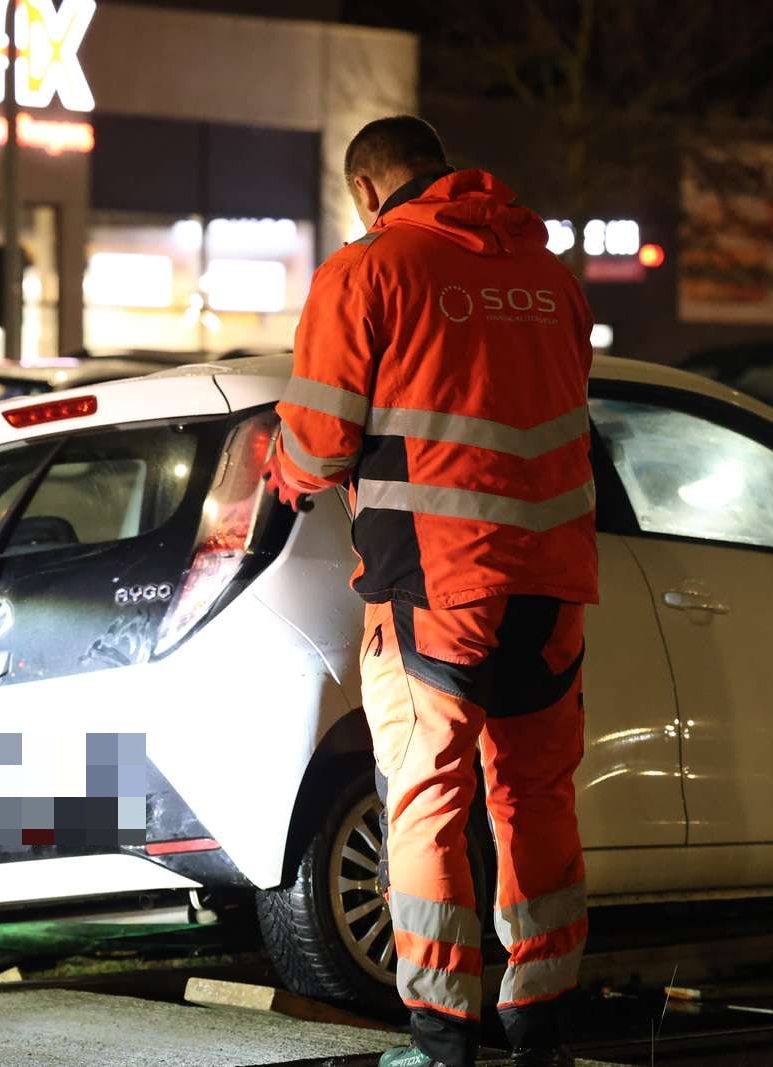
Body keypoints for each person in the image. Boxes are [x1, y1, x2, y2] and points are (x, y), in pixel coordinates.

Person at [265, 115, 598, 1067]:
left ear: (367, 192)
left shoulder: (369, 271)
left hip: (436, 582)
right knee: (536, 797)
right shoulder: (547, 278)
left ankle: (441, 1032)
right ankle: (542, 1016)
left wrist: (281, 477)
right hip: (553, 582)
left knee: (426, 800)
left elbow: (322, 438)